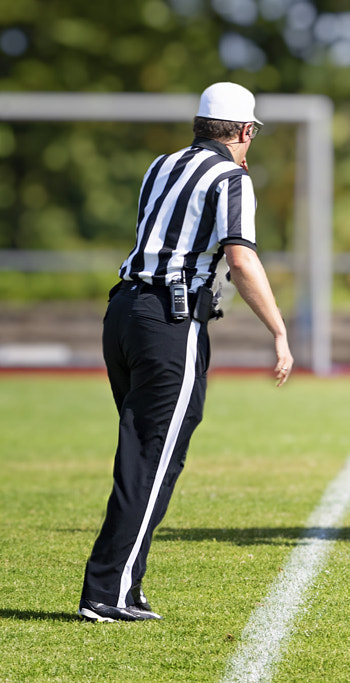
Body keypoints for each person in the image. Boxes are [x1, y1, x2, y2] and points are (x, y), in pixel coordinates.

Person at [79, 82, 294, 623]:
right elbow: (240, 259)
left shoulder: (161, 165)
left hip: (123, 313)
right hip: (170, 320)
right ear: (244, 131)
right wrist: (278, 330)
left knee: (147, 452)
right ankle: (106, 591)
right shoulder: (231, 178)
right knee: (152, 456)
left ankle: (125, 586)